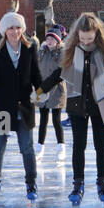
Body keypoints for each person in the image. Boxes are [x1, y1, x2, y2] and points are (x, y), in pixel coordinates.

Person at [0, 11, 59, 203]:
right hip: (2, 108)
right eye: (11, 28)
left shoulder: (29, 48)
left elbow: (35, 74)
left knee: (27, 148)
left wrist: (41, 90)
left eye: (18, 28)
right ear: (4, 30)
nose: (15, 32)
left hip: (23, 106)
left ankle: (31, 183)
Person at [53, 14, 104, 203]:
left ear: (97, 36)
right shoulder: (71, 51)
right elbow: (59, 73)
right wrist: (41, 88)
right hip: (77, 105)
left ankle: (102, 183)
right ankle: (78, 184)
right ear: (77, 35)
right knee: (79, 146)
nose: (85, 42)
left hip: (100, 104)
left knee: (101, 146)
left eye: (90, 39)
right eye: (82, 38)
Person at [34, 25, 67, 160]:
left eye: (52, 39)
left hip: (56, 91)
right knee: (42, 120)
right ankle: (40, 147)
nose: (49, 41)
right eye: (47, 38)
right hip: (43, 90)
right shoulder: (41, 52)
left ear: (58, 41)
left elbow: (61, 72)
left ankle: (61, 147)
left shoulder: (62, 53)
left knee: (56, 120)